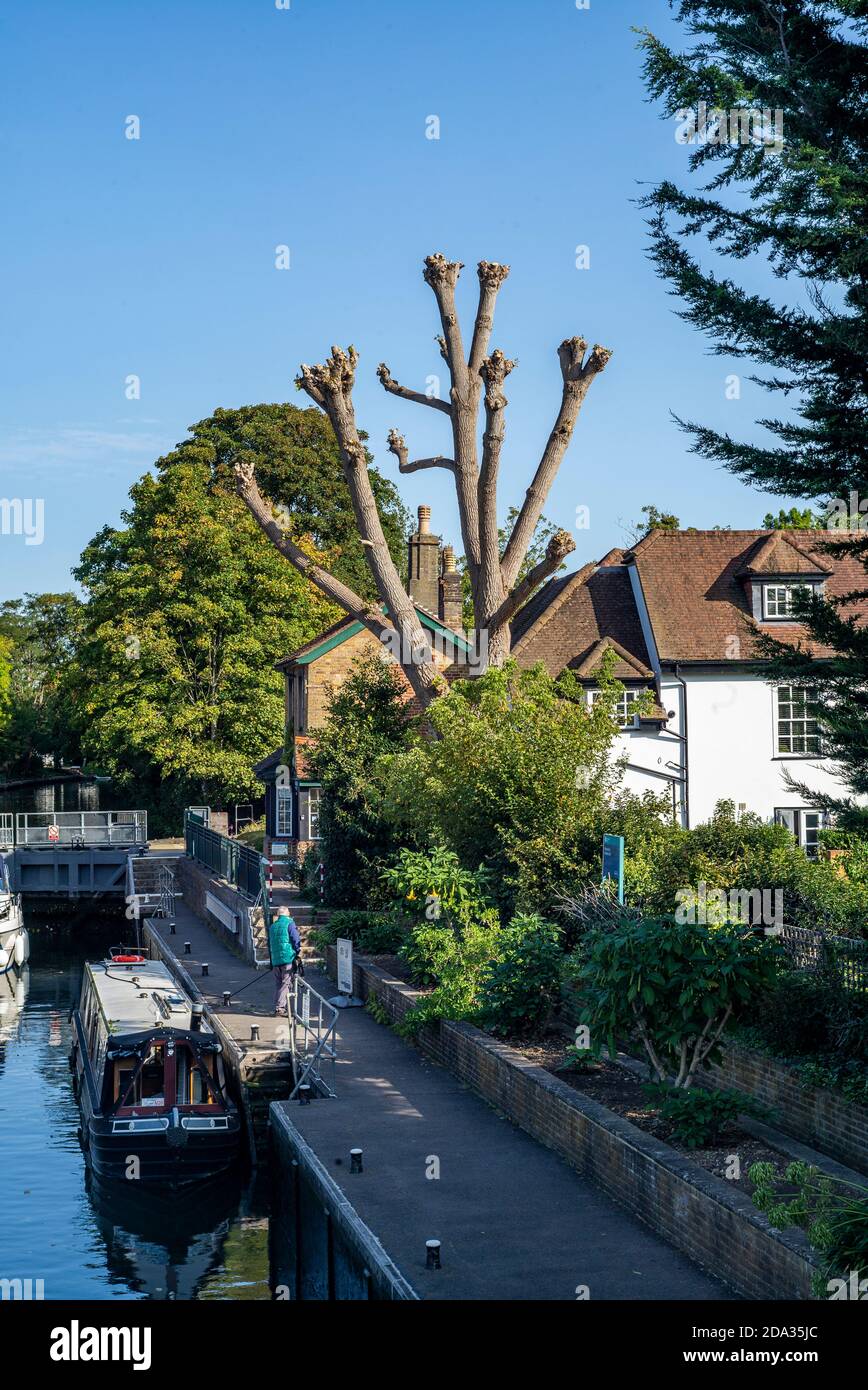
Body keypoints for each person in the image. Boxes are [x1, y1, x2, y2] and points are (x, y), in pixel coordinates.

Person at [268, 907, 300, 1016]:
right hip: (287, 957)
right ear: (287, 913)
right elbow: (295, 938)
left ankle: (278, 1006)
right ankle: (280, 1008)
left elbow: (270, 943)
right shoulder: (289, 923)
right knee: (285, 983)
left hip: (276, 959)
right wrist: (297, 950)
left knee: (278, 984)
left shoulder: (272, 926)